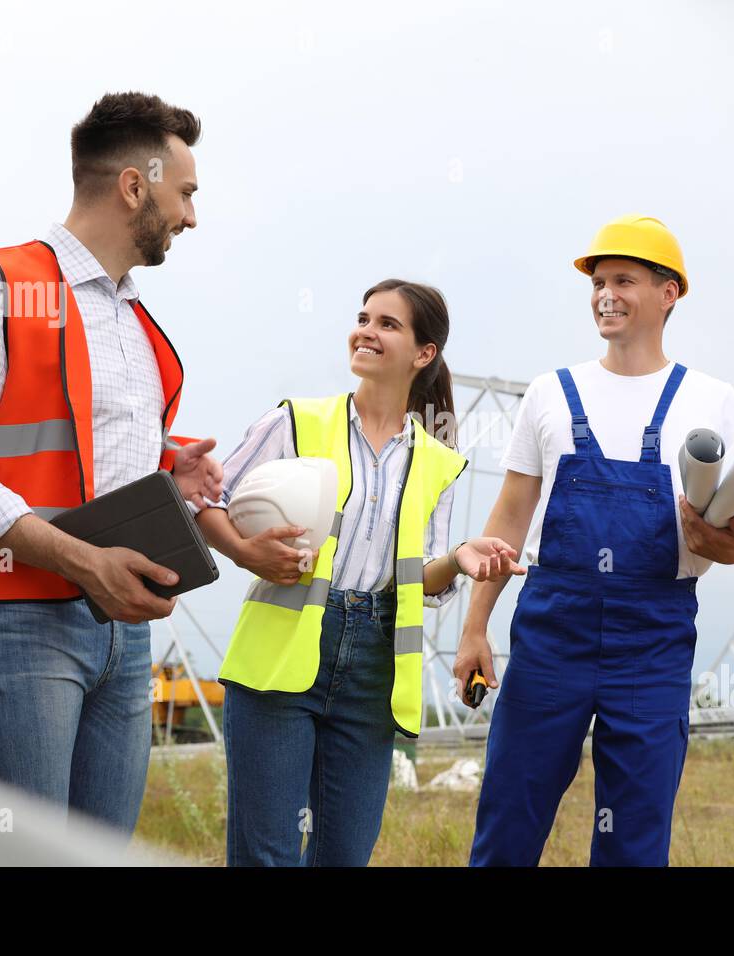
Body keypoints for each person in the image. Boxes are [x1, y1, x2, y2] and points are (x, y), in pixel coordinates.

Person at [0, 92, 222, 835]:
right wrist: (78, 558)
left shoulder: (135, 327)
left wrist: (170, 468)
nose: (192, 217)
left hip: (120, 632)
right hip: (9, 626)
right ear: (134, 186)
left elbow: (76, 450)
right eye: (186, 194)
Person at [455, 214, 734, 866]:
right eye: (598, 281)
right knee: (508, 825)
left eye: (623, 279)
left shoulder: (711, 399)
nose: (606, 293)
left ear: (669, 293)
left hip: (653, 637)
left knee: (633, 839)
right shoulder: (550, 393)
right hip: (552, 630)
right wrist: (474, 628)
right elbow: (511, 516)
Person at [195, 278, 525, 866]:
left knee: (344, 857)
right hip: (281, 654)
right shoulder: (296, 421)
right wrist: (247, 554)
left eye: (387, 324)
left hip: (373, 670)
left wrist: (459, 559)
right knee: (266, 856)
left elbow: (419, 574)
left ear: (424, 355)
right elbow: (205, 503)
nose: (366, 332)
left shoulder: (438, 462)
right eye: (363, 318)